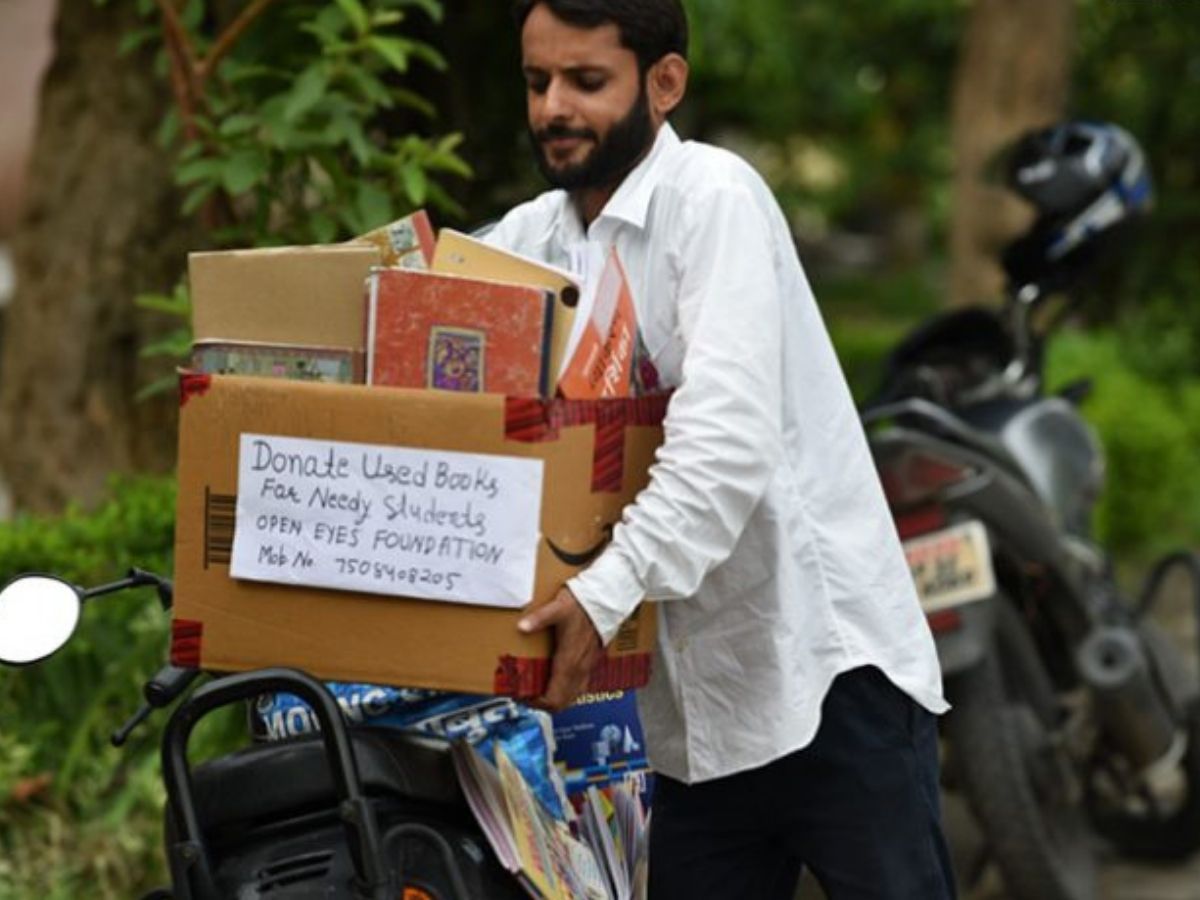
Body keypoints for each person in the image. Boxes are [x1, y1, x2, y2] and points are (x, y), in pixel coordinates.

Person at [486, 1, 957, 896]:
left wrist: (599, 593)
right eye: (538, 81)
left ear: (664, 84)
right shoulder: (536, 242)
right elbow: (418, 305)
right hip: (693, 723)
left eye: (587, 82)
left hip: (825, 673)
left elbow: (723, 452)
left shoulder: (715, 200)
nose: (553, 107)